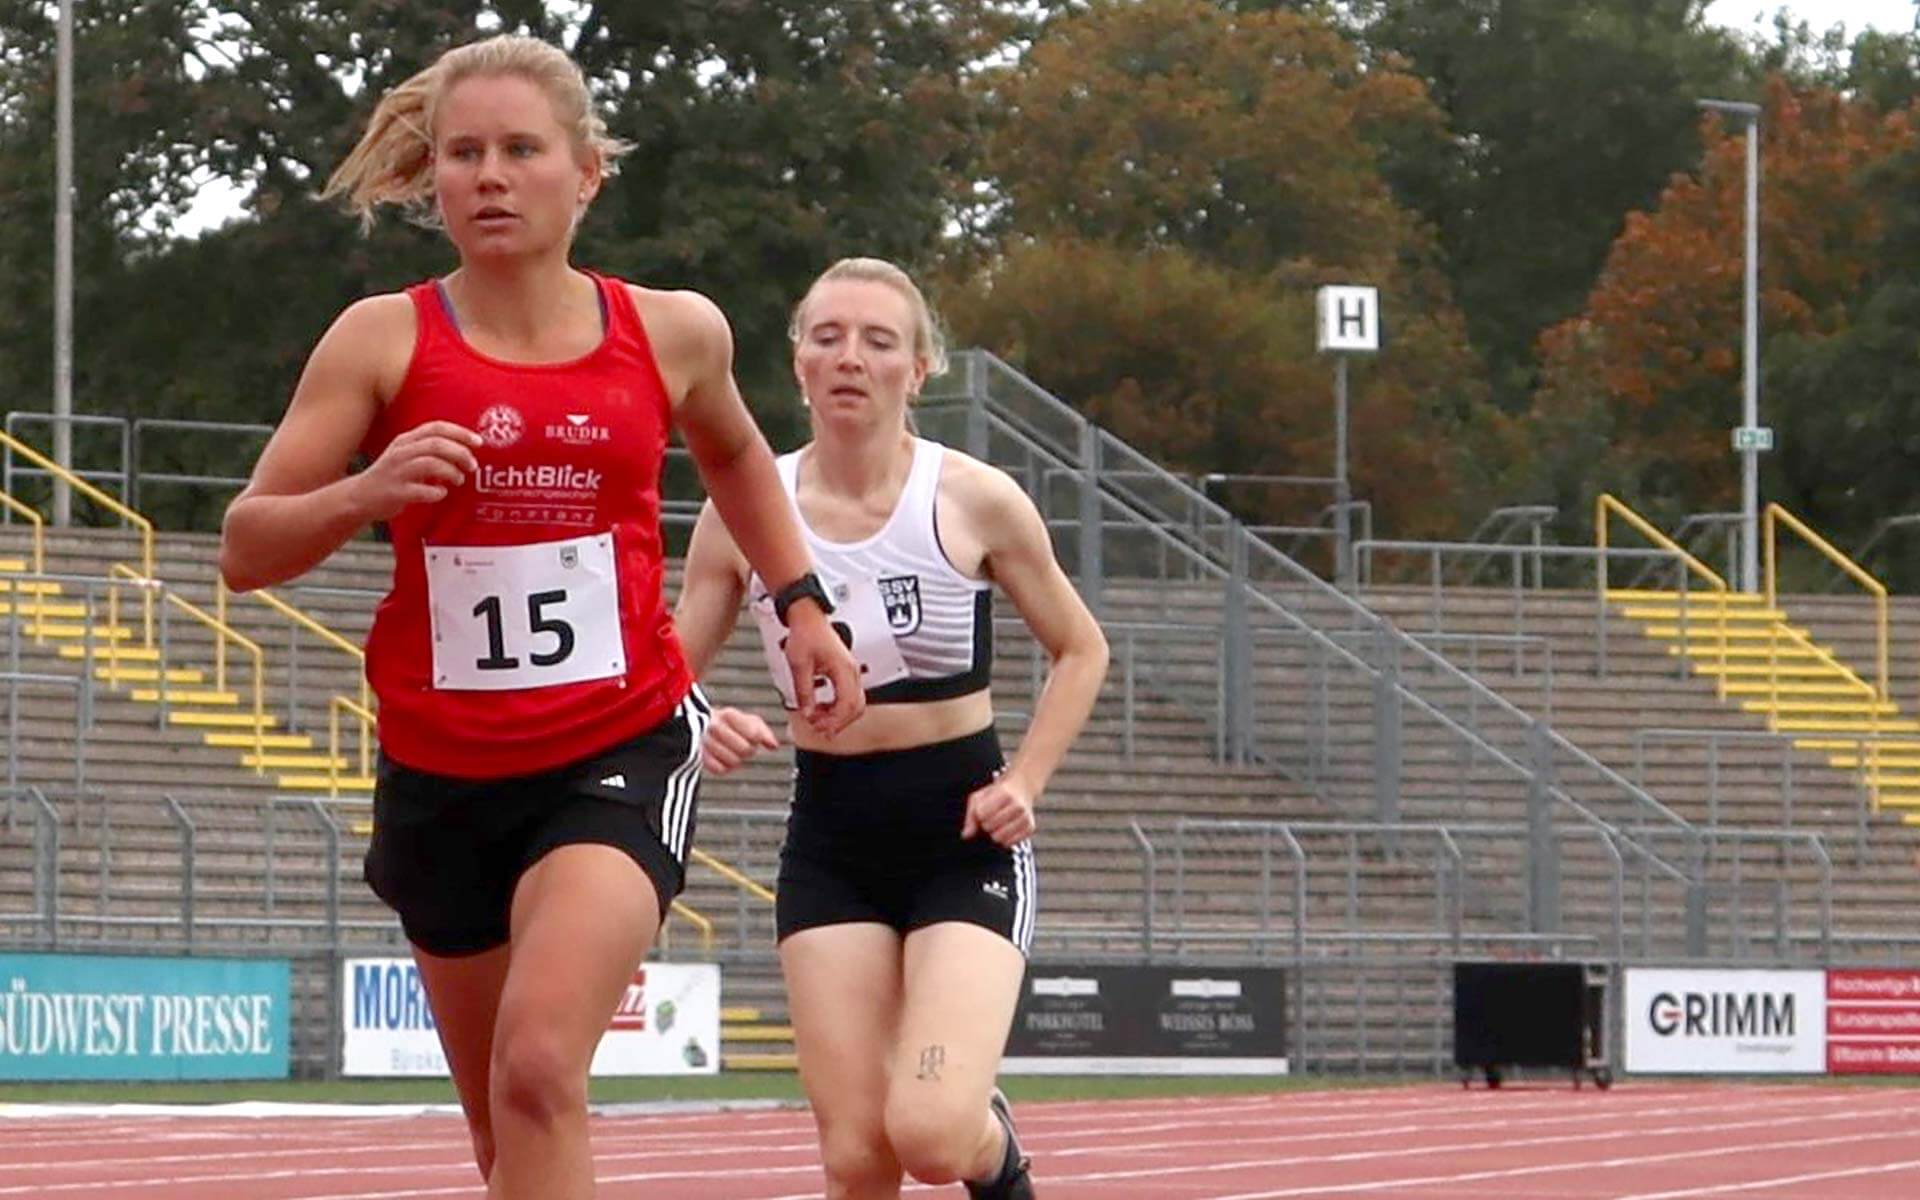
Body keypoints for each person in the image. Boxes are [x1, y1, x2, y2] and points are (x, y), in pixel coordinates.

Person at [216, 34, 862, 1200]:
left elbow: (739, 457)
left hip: (615, 745)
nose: (490, 175)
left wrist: (802, 600)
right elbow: (244, 551)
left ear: (586, 173)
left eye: (521, 149)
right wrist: (364, 492)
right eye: (462, 153)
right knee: (500, 1136)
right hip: (441, 774)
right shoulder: (382, 340)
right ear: (434, 179)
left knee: (538, 1069)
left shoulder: (672, 332)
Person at [674, 257, 1110, 1200]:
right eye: (827, 337)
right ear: (796, 362)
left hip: (962, 832)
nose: (850, 359)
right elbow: (666, 673)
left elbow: (1083, 650)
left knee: (931, 1134)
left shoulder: (975, 500)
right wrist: (698, 720)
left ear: (918, 370)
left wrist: (1025, 781)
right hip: (832, 837)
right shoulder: (742, 513)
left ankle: (995, 1147)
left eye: (878, 342)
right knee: (858, 1161)